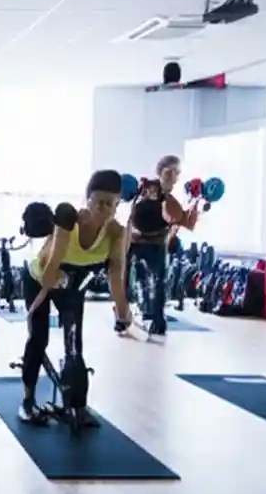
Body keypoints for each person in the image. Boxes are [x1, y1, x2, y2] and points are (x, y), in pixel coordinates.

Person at [18, 169, 134, 422]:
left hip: (72, 286)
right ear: (87, 199)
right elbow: (49, 273)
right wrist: (58, 278)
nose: (103, 208)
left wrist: (124, 312)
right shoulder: (68, 222)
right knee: (39, 339)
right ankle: (27, 400)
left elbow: (117, 275)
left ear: (117, 206)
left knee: (74, 346)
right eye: (98, 202)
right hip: (40, 281)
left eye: (110, 203)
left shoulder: (116, 233)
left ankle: (77, 405)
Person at [126, 155, 199, 336]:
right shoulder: (149, 188)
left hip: (157, 243)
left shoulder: (171, 199)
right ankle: (128, 313)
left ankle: (157, 319)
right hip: (136, 242)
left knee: (160, 281)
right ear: (161, 172)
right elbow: (149, 211)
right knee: (135, 280)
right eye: (169, 172)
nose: (173, 176)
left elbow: (183, 222)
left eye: (177, 173)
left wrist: (196, 203)